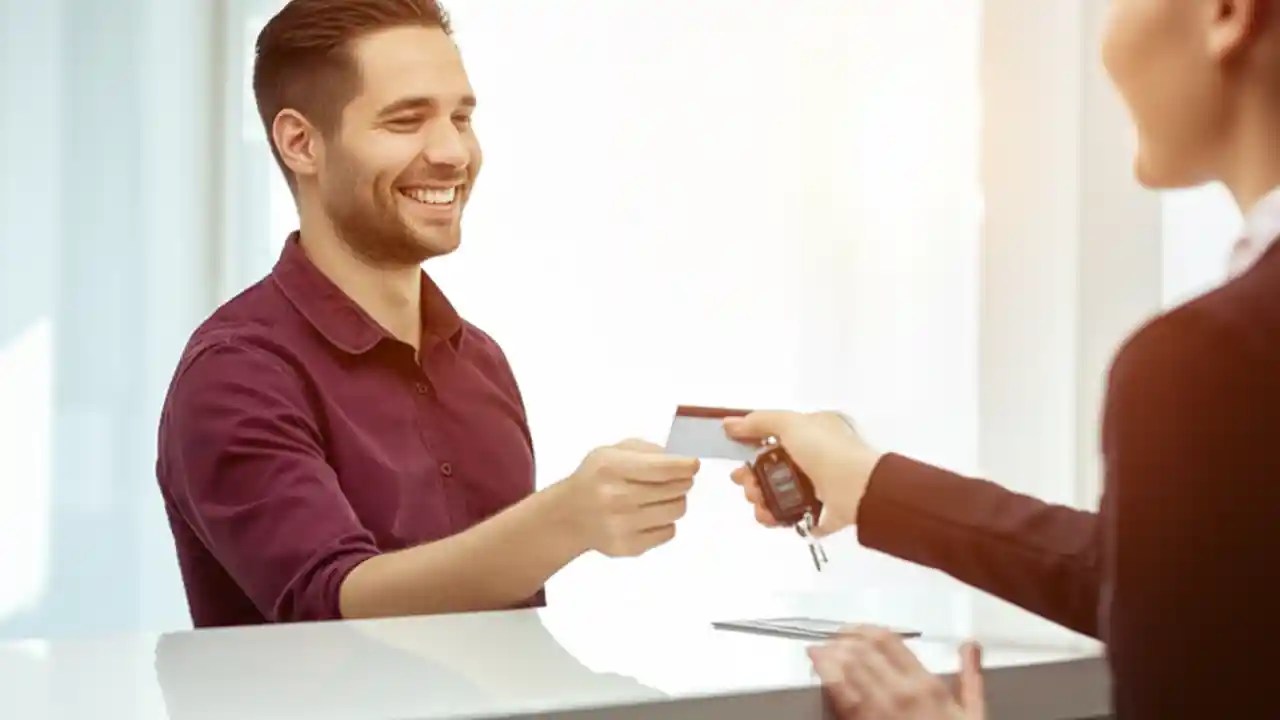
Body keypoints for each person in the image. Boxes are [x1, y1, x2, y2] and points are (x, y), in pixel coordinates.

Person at [726, 0, 1280, 717]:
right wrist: (872, 485)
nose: (1104, 44)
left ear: (1227, 13)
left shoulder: (1208, 361)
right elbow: (1183, 588)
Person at [155, 0, 698, 628]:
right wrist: (565, 520)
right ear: (301, 143)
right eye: (406, 121)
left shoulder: (480, 363)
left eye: (461, 118)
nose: (453, 152)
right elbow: (330, 608)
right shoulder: (236, 374)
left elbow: (503, 627)